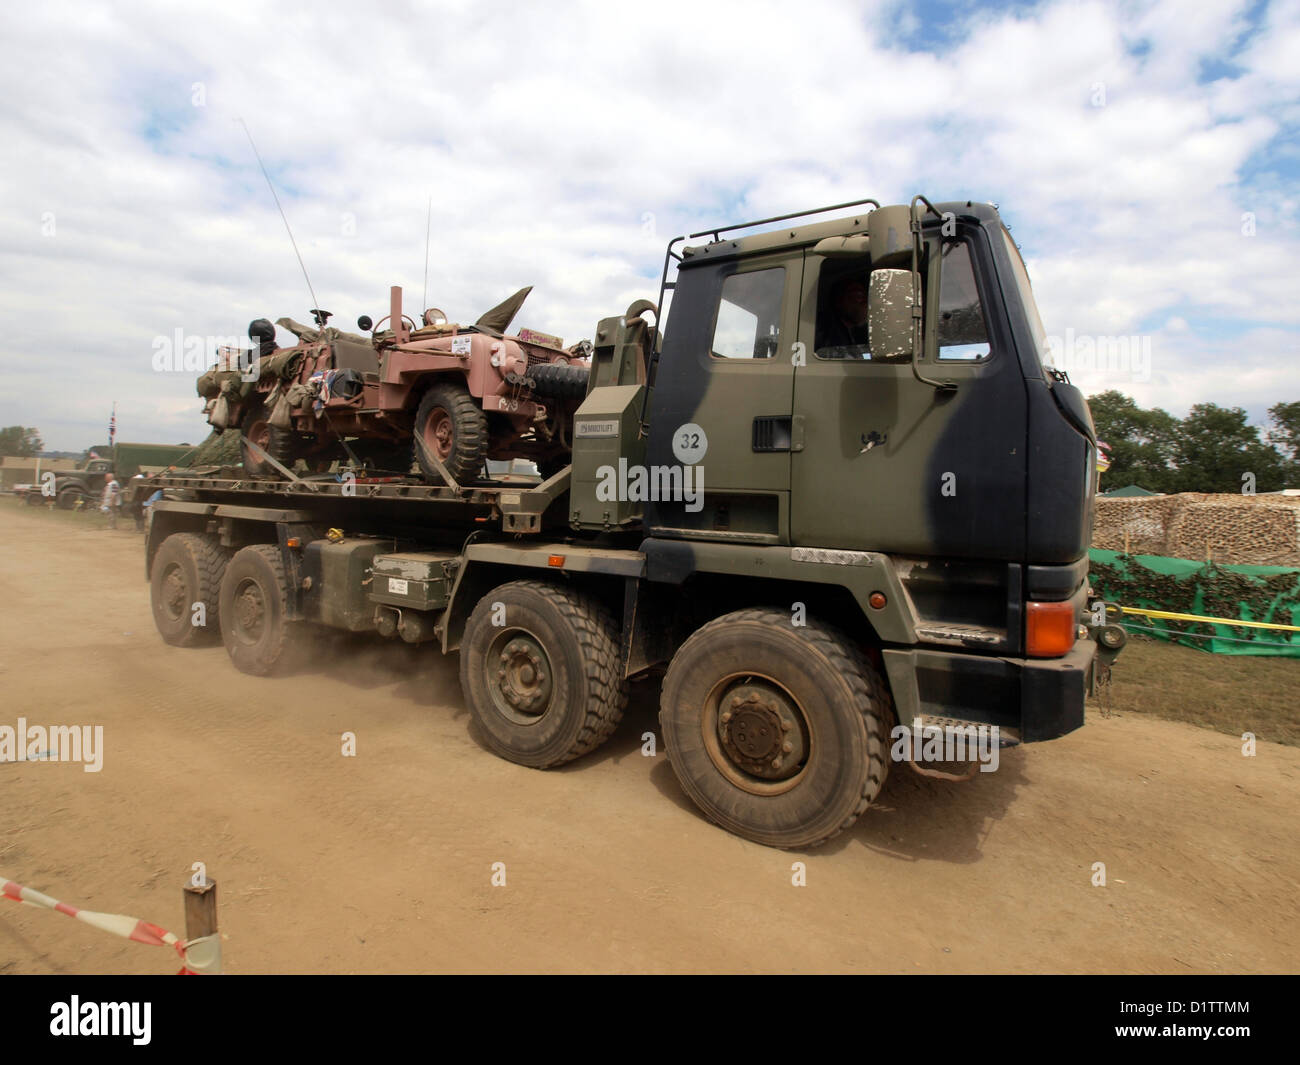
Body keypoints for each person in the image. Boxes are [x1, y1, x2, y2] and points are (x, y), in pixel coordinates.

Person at [818, 277, 871, 356]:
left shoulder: (848, 332)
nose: (865, 303)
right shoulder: (826, 334)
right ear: (839, 301)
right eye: (858, 296)